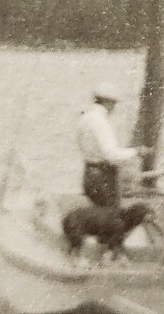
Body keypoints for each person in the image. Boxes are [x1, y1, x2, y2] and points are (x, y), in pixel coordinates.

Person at [62, 82, 150, 253]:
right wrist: (137, 152)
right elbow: (111, 154)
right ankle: (110, 256)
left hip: (89, 173)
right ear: (108, 102)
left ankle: (99, 251)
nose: (114, 108)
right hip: (103, 178)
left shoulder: (85, 117)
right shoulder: (100, 122)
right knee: (114, 221)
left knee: (103, 218)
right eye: (114, 104)